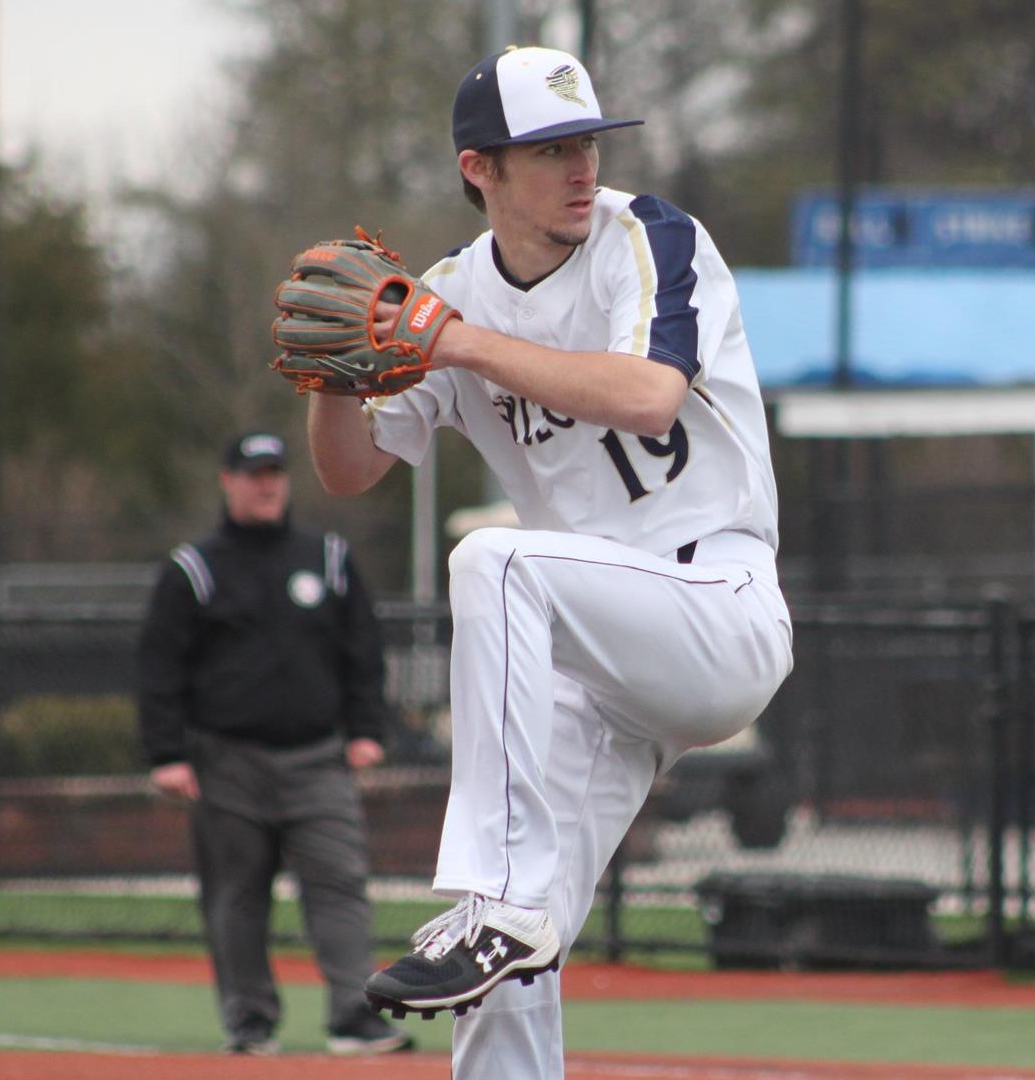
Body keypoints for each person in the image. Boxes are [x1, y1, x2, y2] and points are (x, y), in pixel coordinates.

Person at [303, 45, 794, 1079]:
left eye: (587, 142)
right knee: (500, 967)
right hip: (591, 667)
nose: (581, 166)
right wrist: (335, 373)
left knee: (495, 562)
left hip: (717, 606)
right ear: (479, 168)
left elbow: (647, 395)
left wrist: (457, 345)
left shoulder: (650, 237)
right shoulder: (449, 290)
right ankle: (500, 918)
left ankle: (499, 905)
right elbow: (349, 474)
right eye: (549, 148)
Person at [135, 431, 413, 1058]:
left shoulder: (329, 558)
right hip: (227, 762)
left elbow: (363, 654)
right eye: (253, 473)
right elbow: (160, 668)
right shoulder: (194, 569)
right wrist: (166, 754)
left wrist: (368, 729)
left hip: (319, 758)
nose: (266, 484)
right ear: (227, 481)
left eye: (275, 473)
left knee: (341, 885)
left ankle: (354, 1015)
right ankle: (250, 1020)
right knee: (237, 897)